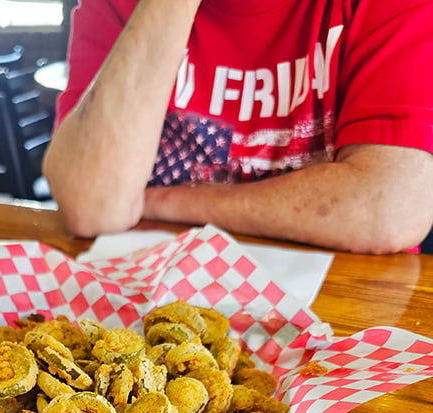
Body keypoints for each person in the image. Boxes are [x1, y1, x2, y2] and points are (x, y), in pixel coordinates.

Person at [43, 0, 433, 253]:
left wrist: (162, 201)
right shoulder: (115, 5)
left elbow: (391, 210)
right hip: (150, 296)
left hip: (349, 320)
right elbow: (92, 206)